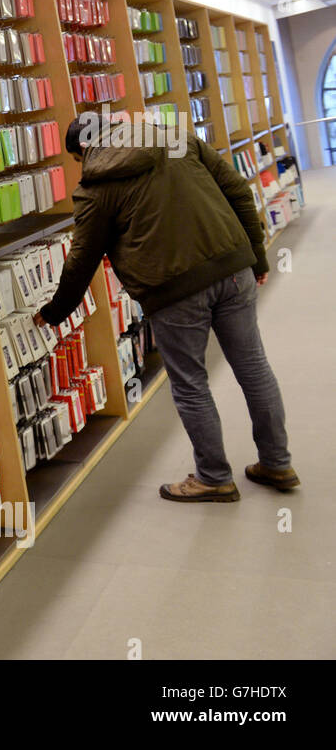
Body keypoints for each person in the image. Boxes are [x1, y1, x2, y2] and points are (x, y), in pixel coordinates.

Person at [34, 113, 296, 502]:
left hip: (173, 291)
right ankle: (277, 463)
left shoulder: (96, 186)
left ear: (84, 149)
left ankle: (214, 477)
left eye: (76, 159)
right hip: (233, 268)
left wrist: (54, 312)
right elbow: (239, 191)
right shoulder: (178, 140)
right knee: (253, 366)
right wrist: (256, 258)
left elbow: (82, 260)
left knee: (191, 384)